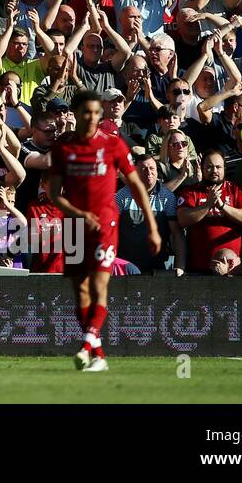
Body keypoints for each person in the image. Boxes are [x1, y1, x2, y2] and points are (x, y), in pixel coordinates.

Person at [47, 90, 161, 372]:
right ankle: (99, 356)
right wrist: (79, 214)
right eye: (87, 112)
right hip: (74, 225)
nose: (93, 117)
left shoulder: (113, 144)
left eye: (97, 112)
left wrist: (153, 226)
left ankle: (86, 346)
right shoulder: (63, 147)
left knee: (99, 286)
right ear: (75, 113)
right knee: (80, 292)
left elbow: (136, 186)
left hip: (105, 224)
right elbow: (54, 193)